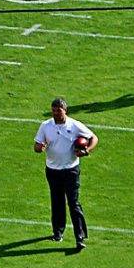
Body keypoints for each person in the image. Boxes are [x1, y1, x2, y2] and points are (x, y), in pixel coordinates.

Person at [33, 98, 94, 251]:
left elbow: (93, 138)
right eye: (53, 111)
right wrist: (40, 148)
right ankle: (57, 232)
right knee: (57, 201)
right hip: (53, 170)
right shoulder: (45, 126)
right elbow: (36, 146)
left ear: (65, 111)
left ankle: (80, 237)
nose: (55, 114)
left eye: (58, 111)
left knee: (73, 203)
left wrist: (86, 150)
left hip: (71, 170)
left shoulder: (74, 125)